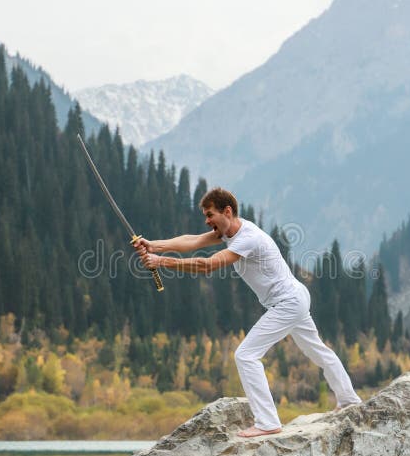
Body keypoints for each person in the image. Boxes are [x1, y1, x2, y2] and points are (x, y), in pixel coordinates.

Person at [133, 187, 361, 437]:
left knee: (245, 355)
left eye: (210, 215)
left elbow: (208, 265)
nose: (207, 221)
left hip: (288, 302)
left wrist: (161, 262)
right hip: (295, 297)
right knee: (315, 348)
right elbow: (192, 241)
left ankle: (267, 422)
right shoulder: (228, 231)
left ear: (227, 211)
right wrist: (153, 245)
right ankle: (349, 399)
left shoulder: (247, 238)